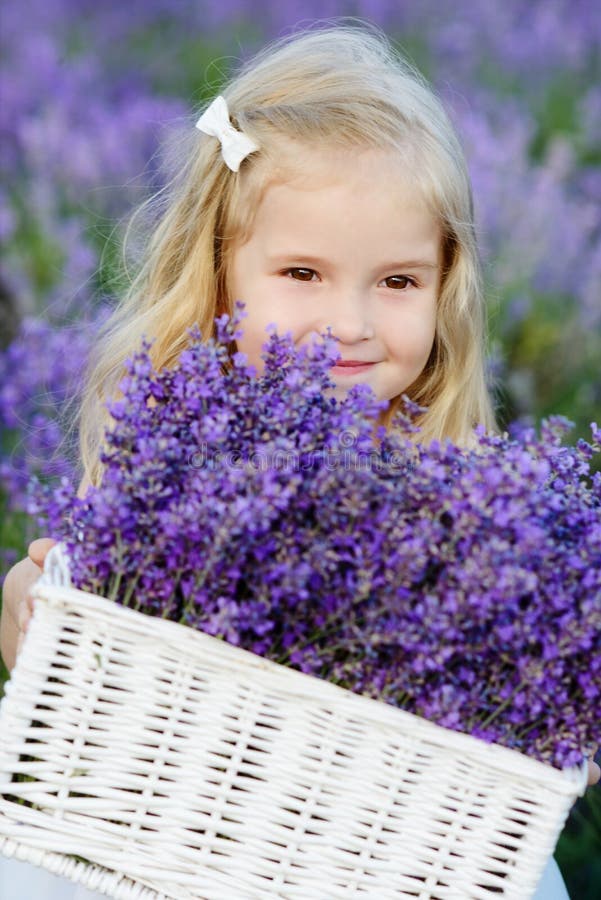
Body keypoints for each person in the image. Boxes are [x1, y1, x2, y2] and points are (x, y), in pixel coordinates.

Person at [1, 23, 597, 900]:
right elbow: (90, 601)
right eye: (303, 274)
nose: (348, 323)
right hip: (151, 833)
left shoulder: (461, 506)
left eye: (397, 282)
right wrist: (32, 601)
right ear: (218, 276)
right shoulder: (172, 460)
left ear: (444, 289)